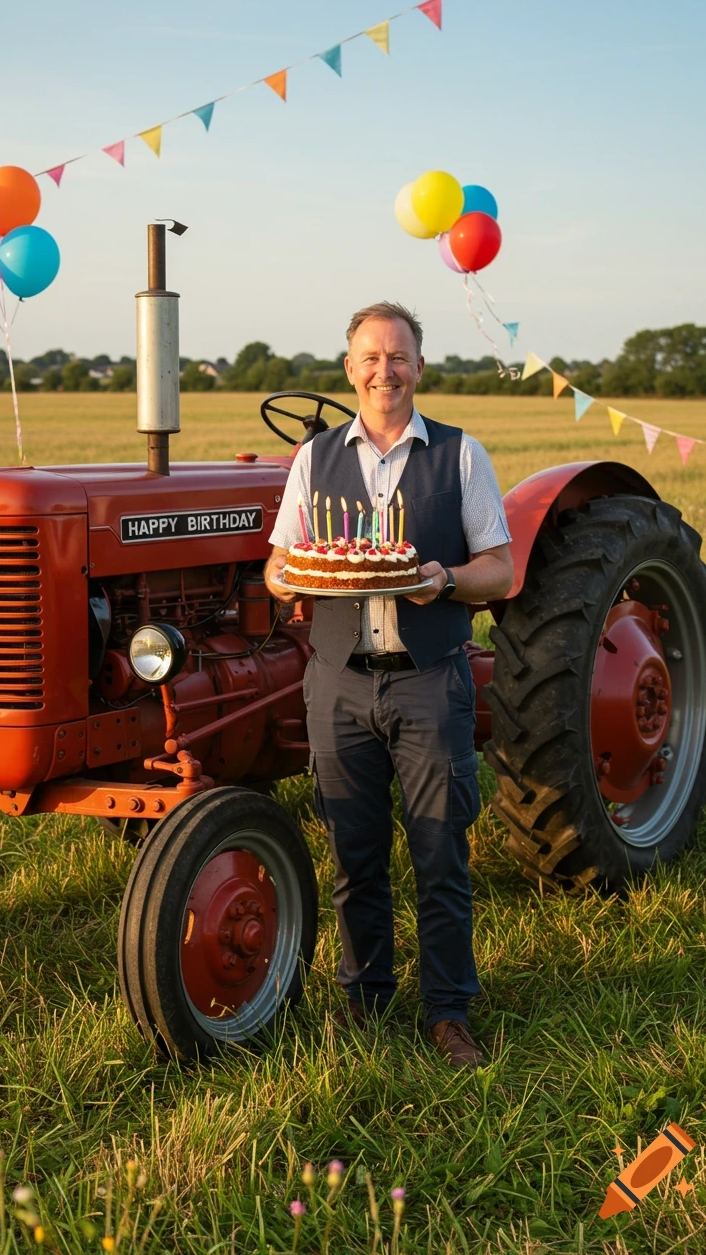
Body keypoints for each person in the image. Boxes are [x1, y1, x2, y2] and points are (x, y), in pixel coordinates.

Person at [264, 301, 513, 1068]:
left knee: (440, 852)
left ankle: (448, 1012)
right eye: (370, 358)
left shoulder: (460, 456)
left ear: (420, 367)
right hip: (337, 683)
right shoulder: (316, 460)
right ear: (350, 370)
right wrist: (289, 576)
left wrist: (445, 579)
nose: (385, 372)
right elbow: (280, 568)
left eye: (398, 357)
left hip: (428, 681)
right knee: (355, 852)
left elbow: (499, 570)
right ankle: (364, 997)